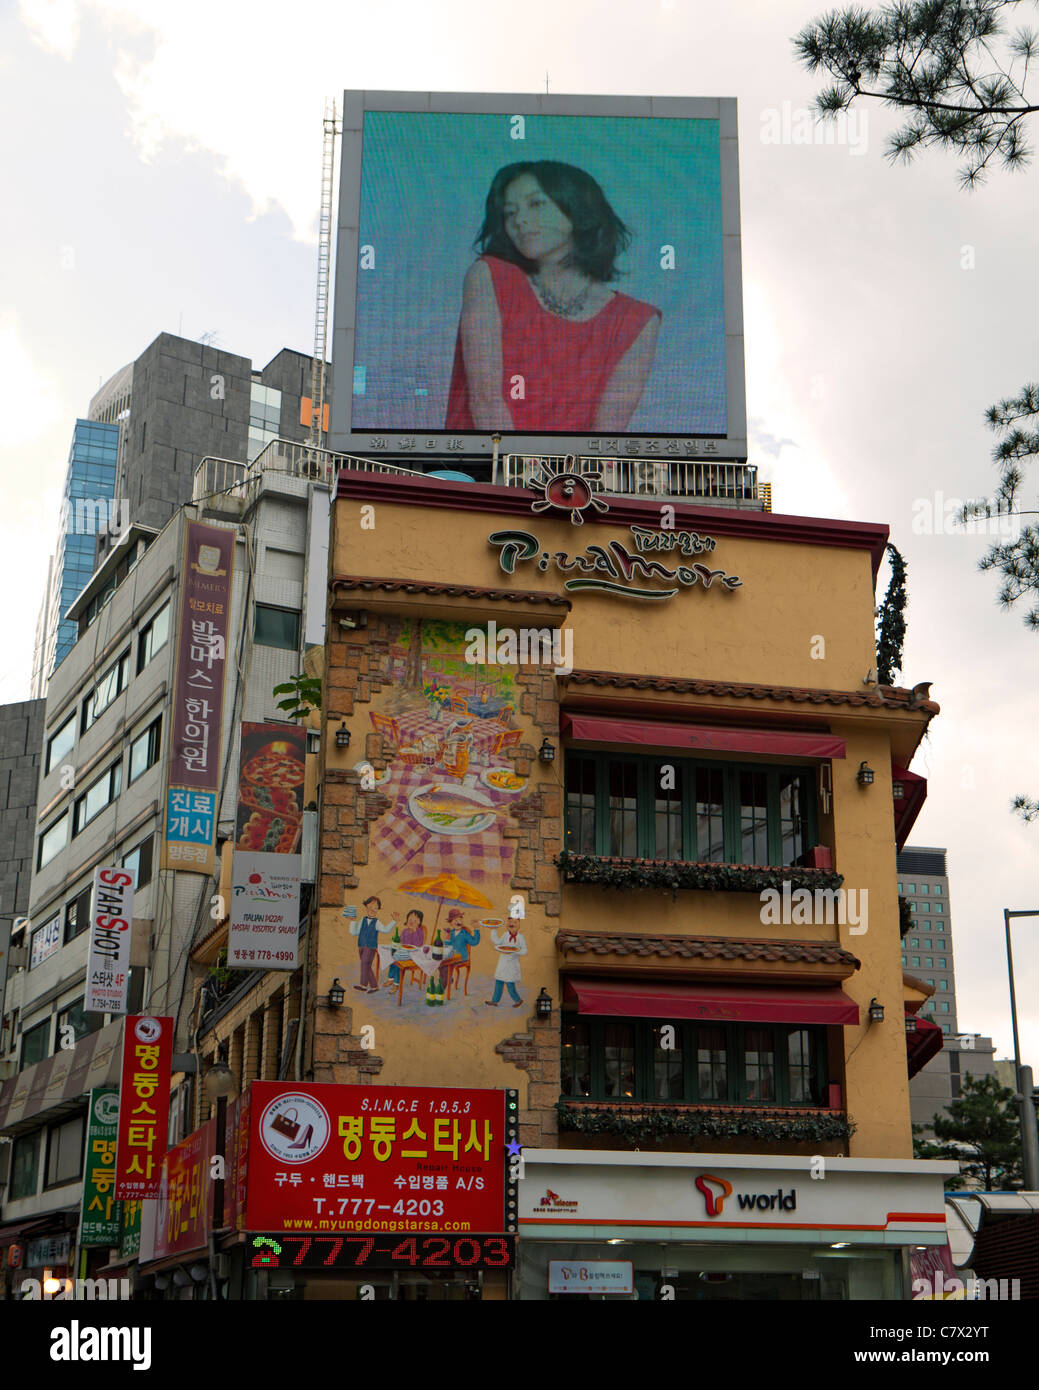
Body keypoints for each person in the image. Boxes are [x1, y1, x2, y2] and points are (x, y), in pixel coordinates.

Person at [446, 160, 661, 433]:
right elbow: (486, 401)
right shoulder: (489, 275)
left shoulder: (636, 320)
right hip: (488, 467)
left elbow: (607, 435)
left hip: (574, 475)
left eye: (536, 204)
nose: (519, 221)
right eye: (509, 213)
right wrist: (518, 473)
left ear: (577, 207)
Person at [349, 895, 396, 993]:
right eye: (370, 904)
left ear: (378, 909)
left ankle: (363, 985)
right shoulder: (362, 920)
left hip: (370, 947)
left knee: (364, 964)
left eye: (375, 906)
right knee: (367, 966)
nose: (372, 907)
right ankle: (374, 987)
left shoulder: (376, 922)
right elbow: (355, 932)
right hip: (361, 945)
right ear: (366, 906)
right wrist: (352, 922)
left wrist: (394, 921)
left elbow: (386, 930)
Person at [485, 921, 527, 1008]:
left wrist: (515, 952)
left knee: (510, 984)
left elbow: (524, 951)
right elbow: (497, 942)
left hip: (512, 964)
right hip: (503, 962)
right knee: (499, 982)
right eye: (510, 923)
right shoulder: (505, 934)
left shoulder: (520, 937)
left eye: (515, 923)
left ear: (518, 926)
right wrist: (494, 930)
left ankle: (518, 1000)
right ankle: (494, 1001)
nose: (511, 925)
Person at [438, 909, 481, 990]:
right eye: (456, 920)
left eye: (460, 920)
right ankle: (447, 979)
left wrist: (476, 929)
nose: (459, 922)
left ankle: (442, 988)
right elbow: (448, 947)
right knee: (440, 964)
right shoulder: (451, 932)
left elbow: (474, 942)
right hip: (451, 956)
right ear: (450, 923)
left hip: (461, 957)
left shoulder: (464, 933)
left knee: (446, 966)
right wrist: (447, 938)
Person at [386, 909, 425, 988]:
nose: (411, 922)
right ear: (407, 920)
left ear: (419, 922)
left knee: (397, 961)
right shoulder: (405, 931)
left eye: (415, 920)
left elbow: (419, 944)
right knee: (392, 957)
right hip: (403, 952)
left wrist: (414, 931)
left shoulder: (419, 932)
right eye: (410, 919)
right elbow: (399, 943)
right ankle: (390, 978)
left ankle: (396, 984)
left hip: (413, 954)